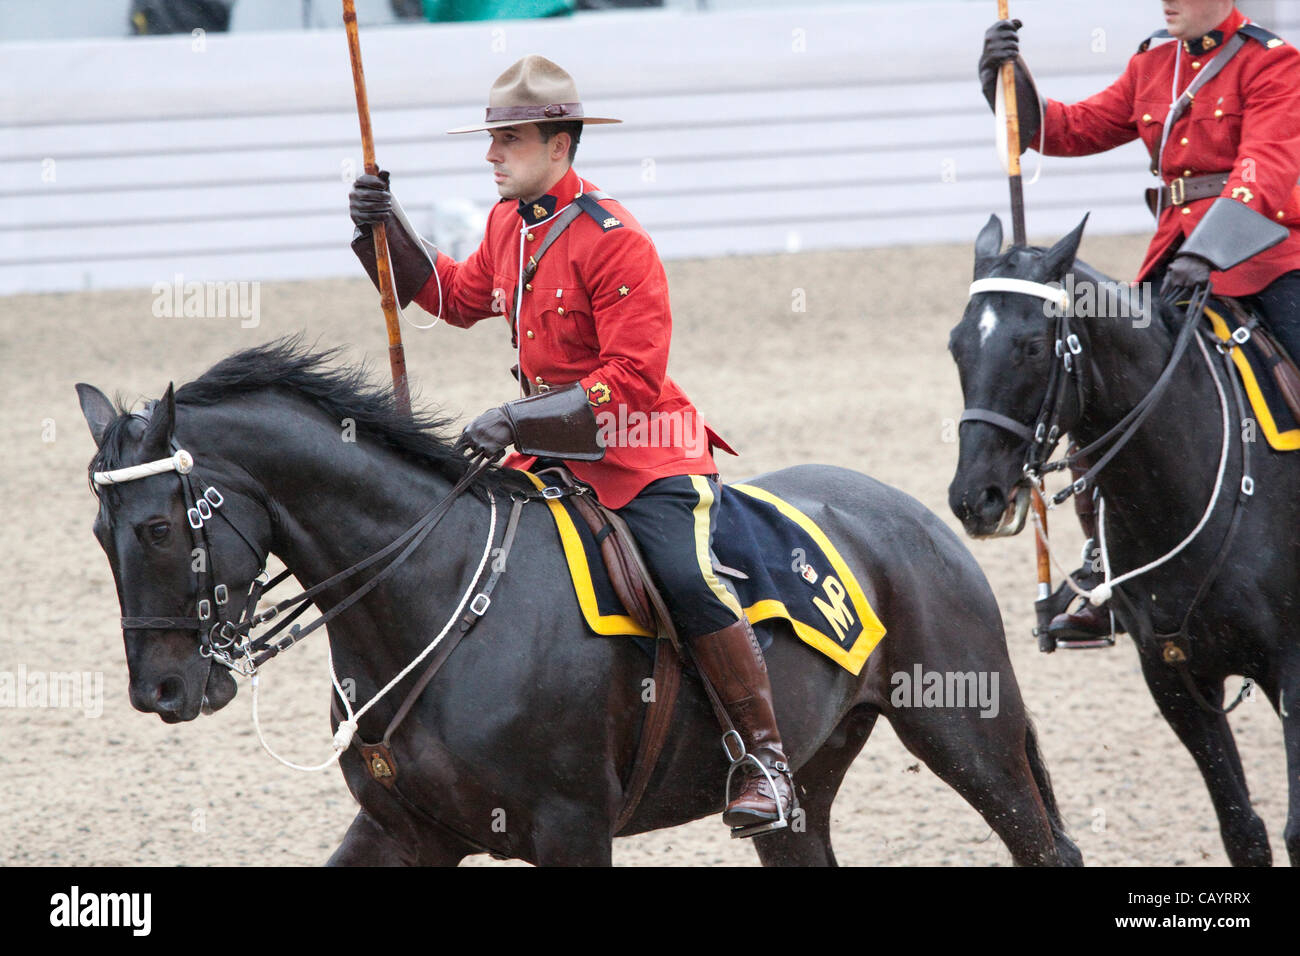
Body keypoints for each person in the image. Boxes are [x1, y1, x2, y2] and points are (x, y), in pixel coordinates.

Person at [346, 55, 794, 832]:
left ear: (559, 144)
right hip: (549, 454)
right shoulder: (507, 227)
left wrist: (518, 421)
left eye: (508, 140)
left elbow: (631, 381)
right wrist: (385, 228)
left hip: (642, 449)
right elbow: (453, 297)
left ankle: (765, 759)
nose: (491, 155)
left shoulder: (614, 240)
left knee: (684, 577)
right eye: (491, 139)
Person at [979, 1, 1300, 639]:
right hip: (1173, 267)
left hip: (1263, 260)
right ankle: (1104, 567)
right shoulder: (1155, 60)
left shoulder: (1274, 63)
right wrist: (1007, 85)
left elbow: (1266, 170)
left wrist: (1210, 247)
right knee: (1097, 398)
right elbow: (1070, 130)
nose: (1166, 1)